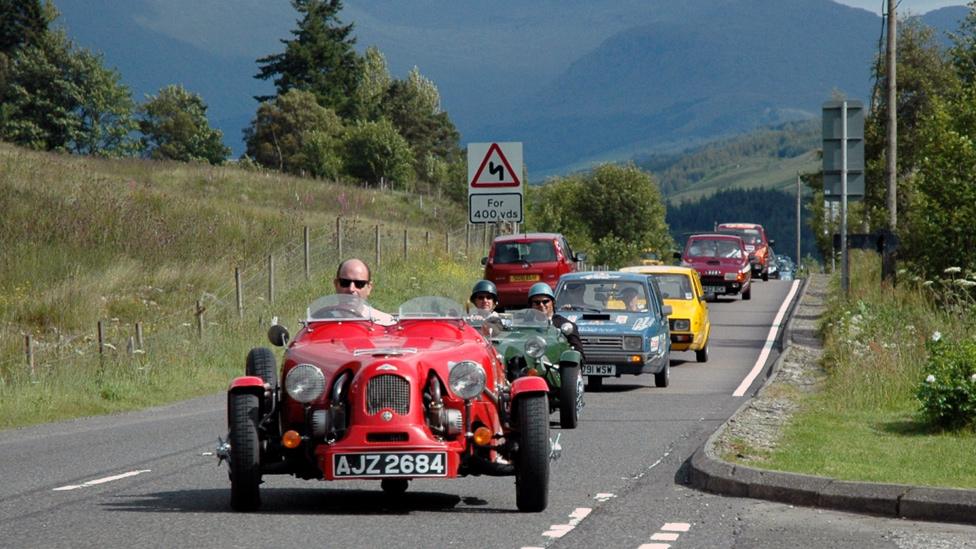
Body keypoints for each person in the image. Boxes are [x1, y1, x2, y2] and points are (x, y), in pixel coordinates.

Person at [527, 282, 585, 360]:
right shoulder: (525, 324)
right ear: (531, 305)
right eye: (537, 302)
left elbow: (579, 354)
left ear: (553, 303)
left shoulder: (565, 325)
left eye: (545, 301)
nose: (541, 305)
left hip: (556, 367)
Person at [333, 258, 394, 325]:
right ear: (336, 284)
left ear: (369, 288)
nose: (351, 289)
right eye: (345, 283)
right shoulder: (322, 320)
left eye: (359, 284)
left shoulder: (385, 323)